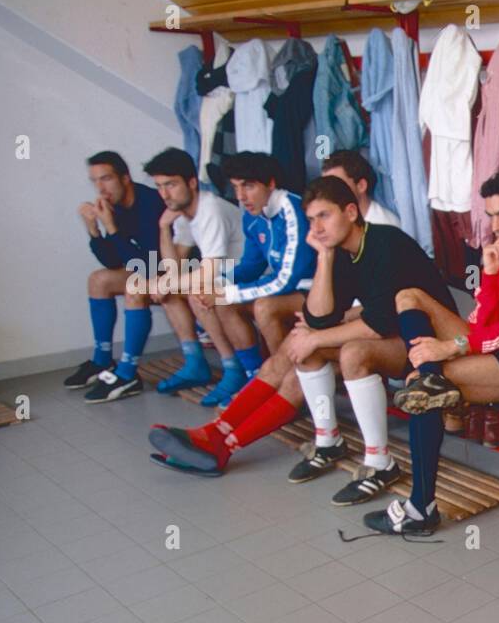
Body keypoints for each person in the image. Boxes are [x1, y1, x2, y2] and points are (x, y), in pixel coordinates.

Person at [147, 176, 453, 496]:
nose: (317, 227)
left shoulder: (385, 242)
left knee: (349, 352)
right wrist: (324, 257)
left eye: (324, 216)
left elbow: (378, 323)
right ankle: (224, 437)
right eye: (310, 219)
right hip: (392, 334)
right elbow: (320, 316)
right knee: (299, 347)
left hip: (429, 344)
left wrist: (317, 337)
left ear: (350, 212)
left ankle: (380, 464)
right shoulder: (342, 250)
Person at [363, 169, 499, 536]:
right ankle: (430, 377)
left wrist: (449, 347)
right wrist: (491, 275)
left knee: (425, 389)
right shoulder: (498, 253)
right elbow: (481, 322)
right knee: (408, 296)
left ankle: (420, 508)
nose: (496, 225)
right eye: (491, 215)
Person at [189, 152, 316, 407]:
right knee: (225, 300)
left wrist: (228, 292)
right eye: (235, 187)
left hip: (315, 291)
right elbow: (251, 266)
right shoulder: (252, 214)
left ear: (270, 183)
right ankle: (256, 378)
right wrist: (219, 284)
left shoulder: (292, 210)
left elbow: (287, 281)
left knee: (264, 306)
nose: (240, 196)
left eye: (248, 186)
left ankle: (290, 387)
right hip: (289, 289)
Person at [141, 147, 246, 396]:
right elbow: (173, 267)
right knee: (169, 289)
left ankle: (234, 370)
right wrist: (164, 227)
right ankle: (195, 364)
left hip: (248, 274)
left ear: (191, 182)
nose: (164, 194)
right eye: (159, 186)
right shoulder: (182, 212)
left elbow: (208, 274)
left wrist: (168, 282)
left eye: (171, 185)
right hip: (224, 275)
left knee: (197, 290)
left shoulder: (210, 209)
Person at [65, 151, 164, 401]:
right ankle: (102, 360)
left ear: (125, 178)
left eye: (106, 178)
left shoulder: (150, 203)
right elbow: (112, 262)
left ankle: (128, 373)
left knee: (134, 285)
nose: (100, 188)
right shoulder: (115, 206)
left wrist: (111, 227)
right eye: (95, 181)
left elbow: (150, 265)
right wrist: (94, 230)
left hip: (181, 268)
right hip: (149, 267)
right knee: (98, 280)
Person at [321, 150, 400, 228]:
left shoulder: (385, 226)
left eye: (337, 185)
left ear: (361, 186)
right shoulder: (334, 225)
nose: (330, 193)